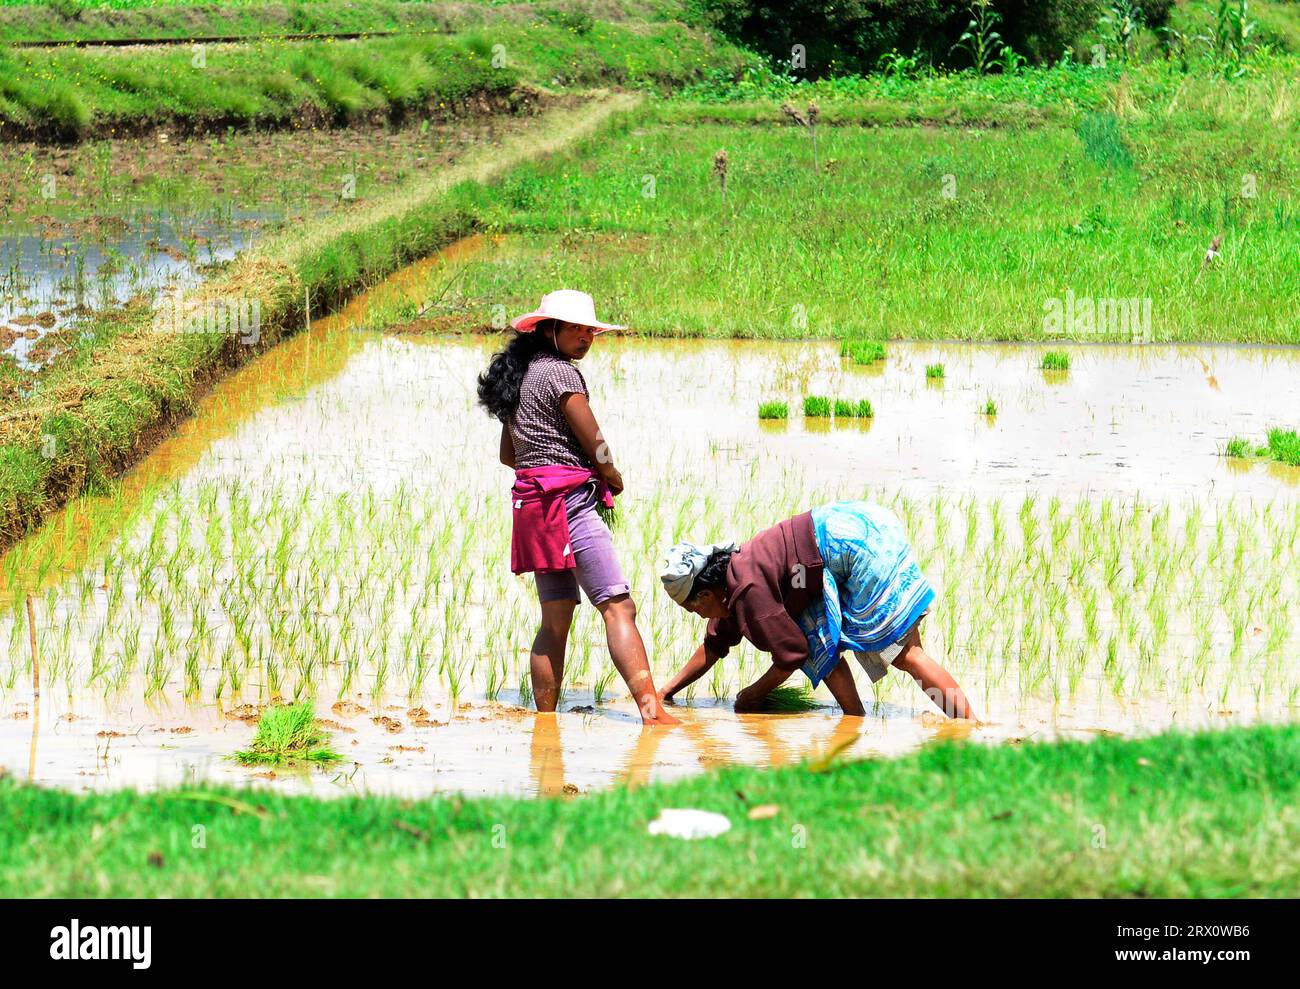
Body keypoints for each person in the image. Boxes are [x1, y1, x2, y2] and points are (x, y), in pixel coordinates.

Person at [477, 289, 677, 726]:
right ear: (550, 330)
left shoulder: (522, 376)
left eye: (591, 330)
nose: (587, 337)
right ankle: (652, 712)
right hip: (570, 505)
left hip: (534, 509)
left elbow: (509, 455)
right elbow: (595, 438)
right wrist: (611, 474)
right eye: (578, 329)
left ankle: (545, 722)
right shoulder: (560, 375)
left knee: (555, 619)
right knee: (618, 607)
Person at [657, 500, 976, 721]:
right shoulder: (736, 577)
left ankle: (972, 727)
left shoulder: (748, 590)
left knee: (905, 654)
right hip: (856, 524)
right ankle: (857, 721)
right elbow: (714, 645)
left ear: (707, 593)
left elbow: (791, 654)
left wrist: (752, 695)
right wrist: (667, 691)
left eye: (691, 607)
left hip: (850, 546)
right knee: (819, 640)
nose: (695, 615)